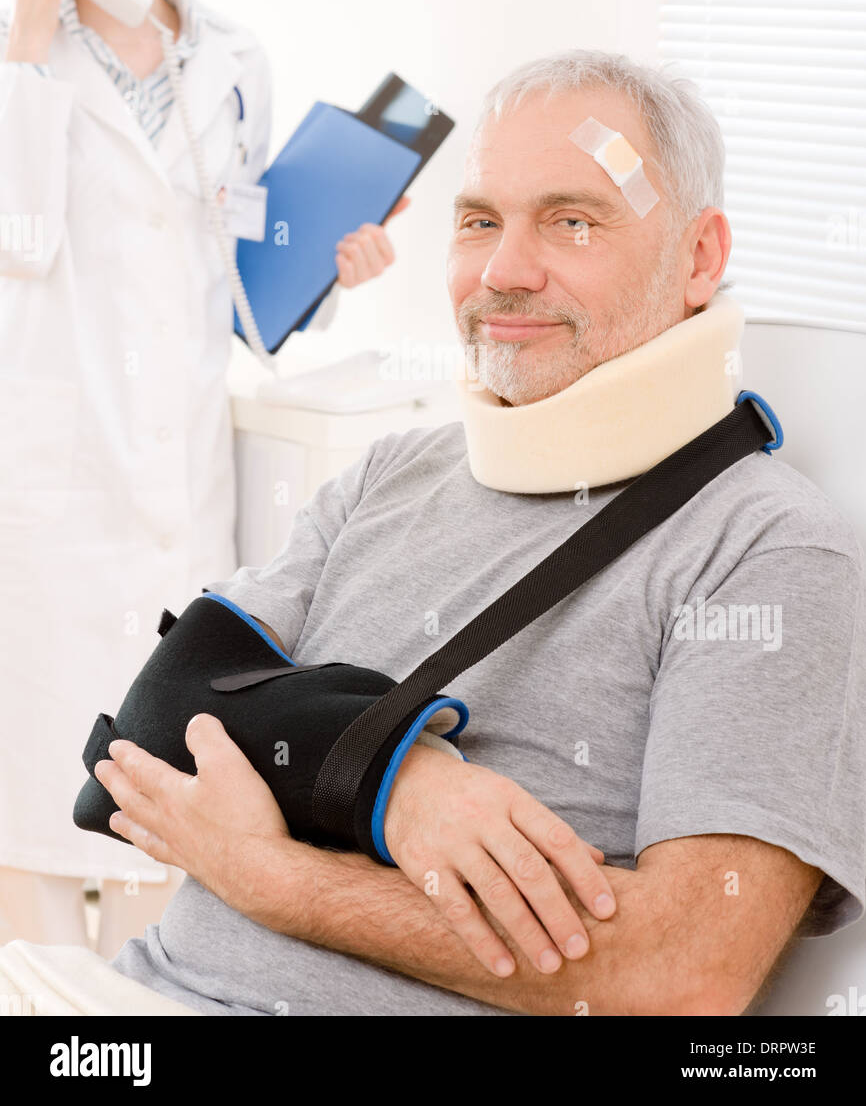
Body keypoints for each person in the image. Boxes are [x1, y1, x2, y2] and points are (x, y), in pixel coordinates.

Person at [46, 51, 866, 1014]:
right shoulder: (397, 469)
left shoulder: (763, 551)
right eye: (479, 221)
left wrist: (276, 878)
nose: (504, 272)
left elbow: (678, 980)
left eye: (571, 220)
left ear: (698, 258)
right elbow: (149, 732)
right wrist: (398, 783)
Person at [0, 0, 407, 959]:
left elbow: (240, 290)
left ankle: (145, 997)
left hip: (183, 459)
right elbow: (17, 241)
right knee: (32, 781)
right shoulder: (21, 56)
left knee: (161, 779)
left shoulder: (231, 53)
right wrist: (23, 53)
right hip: (55, 462)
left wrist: (330, 265)